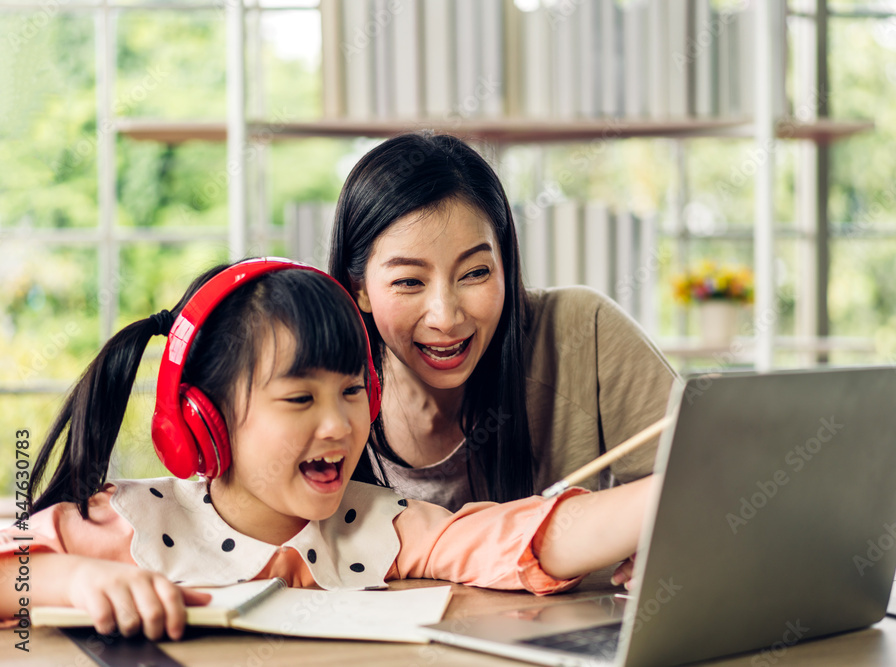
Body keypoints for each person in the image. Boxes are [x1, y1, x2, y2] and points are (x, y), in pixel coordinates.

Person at [1, 258, 650, 641]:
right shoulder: (130, 525)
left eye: (350, 392)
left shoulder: (378, 524)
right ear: (202, 420)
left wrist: (665, 497)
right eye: (299, 399)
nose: (339, 424)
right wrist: (78, 577)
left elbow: (521, 536)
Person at [330, 132, 680, 510]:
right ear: (359, 288)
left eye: (475, 273)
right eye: (410, 282)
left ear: (505, 263)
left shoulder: (582, 332)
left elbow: (708, 483)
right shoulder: (321, 390)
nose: (446, 318)